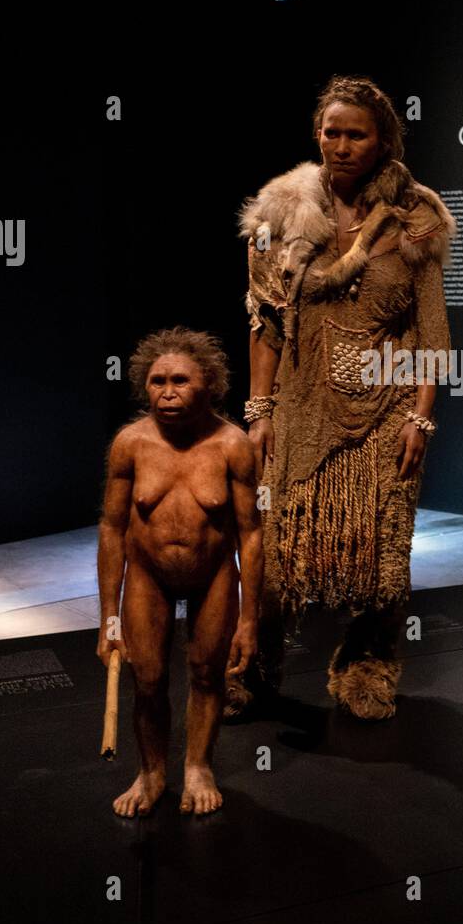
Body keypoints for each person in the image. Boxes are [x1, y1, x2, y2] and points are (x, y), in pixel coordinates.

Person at [230, 75, 454, 722]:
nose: (342, 145)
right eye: (332, 132)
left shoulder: (415, 219)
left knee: (383, 560)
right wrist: (260, 411)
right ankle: (253, 664)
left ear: (383, 139)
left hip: (387, 410)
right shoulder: (280, 217)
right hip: (300, 410)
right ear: (317, 135)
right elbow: (264, 324)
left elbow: (432, 333)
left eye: (357, 133)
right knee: (272, 558)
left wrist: (421, 416)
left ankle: (367, 667)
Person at [97, 327, 261, 815]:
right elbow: (111, 528)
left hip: (214, 575)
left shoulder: (233, 445)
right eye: (157, 381)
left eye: (180, 381)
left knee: (207, 675)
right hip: (148, 577)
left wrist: (250, 619)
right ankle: (150, 773)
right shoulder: (130, 443)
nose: (167, 392)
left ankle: (197, 767)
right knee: (146, 679)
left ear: (208, 383)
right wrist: (109, 616)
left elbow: (251, 534)